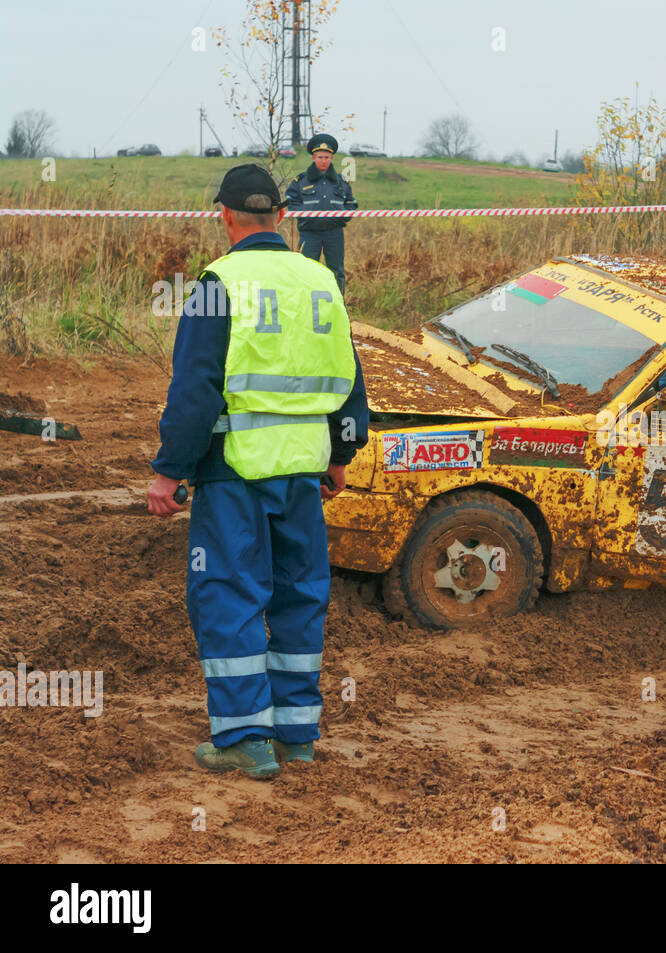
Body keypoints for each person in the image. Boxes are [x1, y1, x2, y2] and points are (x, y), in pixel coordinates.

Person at [147, 164, 369, 779]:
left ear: (225, 216)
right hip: (302, 472)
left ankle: (246, 736)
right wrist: (340, 454)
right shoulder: (321, 280)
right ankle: (297, 735)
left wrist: (169, 470)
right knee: (300, 595)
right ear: (282, 216)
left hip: (235, 473)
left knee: (229, 593)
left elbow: (194, 392)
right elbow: (349, 381)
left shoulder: (220, 284)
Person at [285, 133, 358, 296]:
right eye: (320, 157)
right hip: (309, 234)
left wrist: (343, 216)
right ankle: (305, 303)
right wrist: (303, 215)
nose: (323, 160)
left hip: (334, 233)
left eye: (326, 157)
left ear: (331, 158)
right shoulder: (301, 181)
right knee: (306, 271)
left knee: (336, 271)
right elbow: (291, 201)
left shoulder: (341, 181)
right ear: (313, 157)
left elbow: (351, 203)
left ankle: (338, 304)